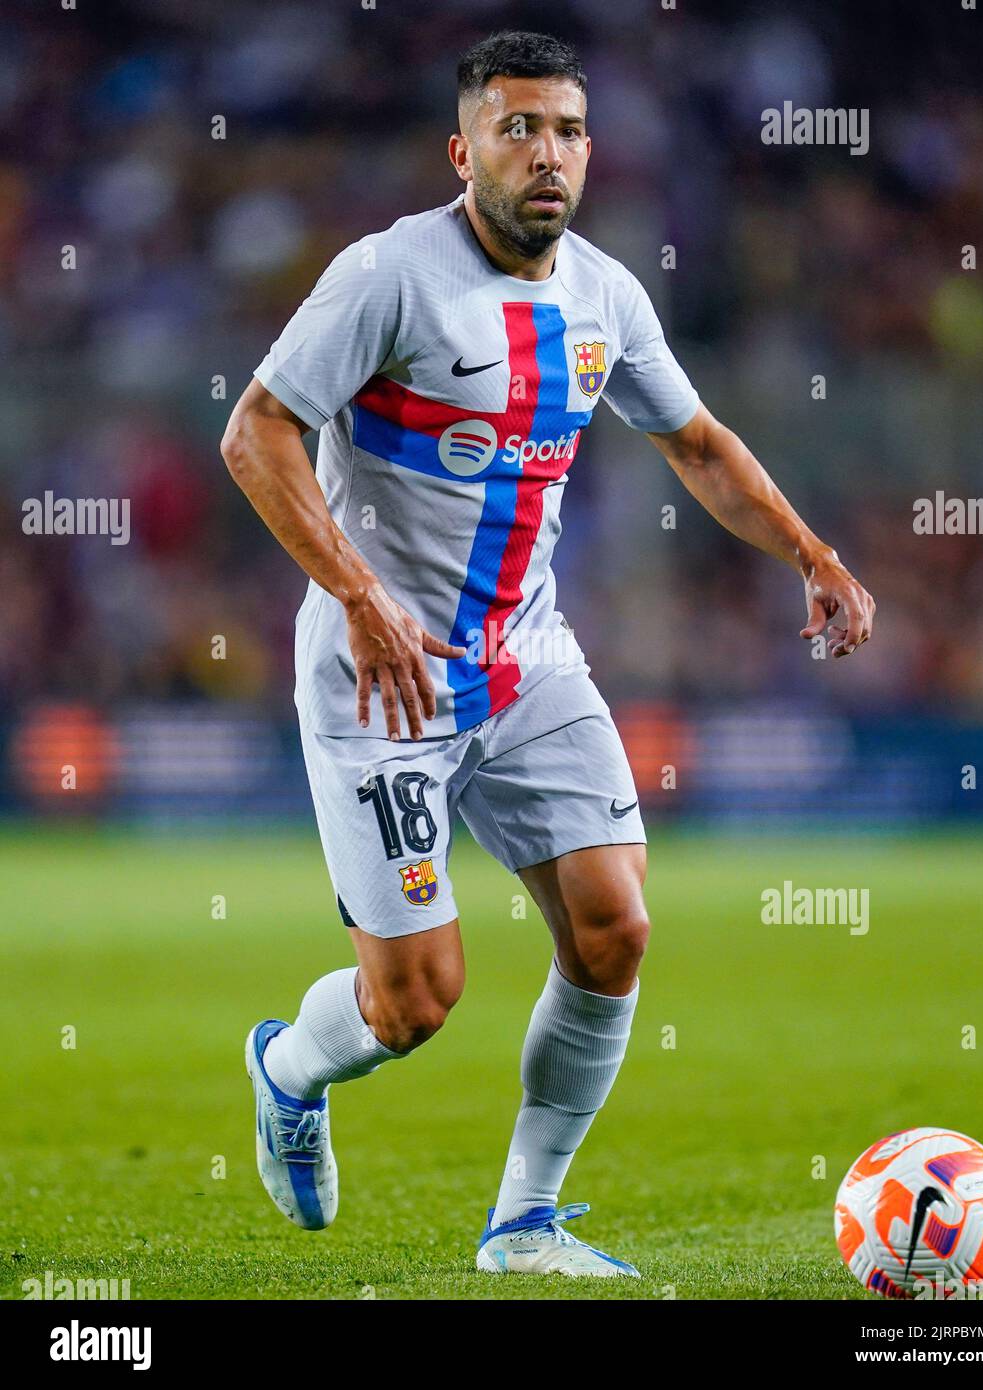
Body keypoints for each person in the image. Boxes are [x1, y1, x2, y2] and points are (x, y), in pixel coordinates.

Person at [221, 29, 874, 1278]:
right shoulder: (387, 278)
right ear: (462, 150)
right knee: (413, 1004)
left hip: (526, 663)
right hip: (379, 677)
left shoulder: (605, 296)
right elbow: (256, 434)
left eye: (567, 130)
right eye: (517, 129)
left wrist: (813, 555)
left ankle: (523, 1225)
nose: (546, 154)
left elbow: (695, 444)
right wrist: (358, 597)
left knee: (615, 927)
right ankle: (286, 1068)